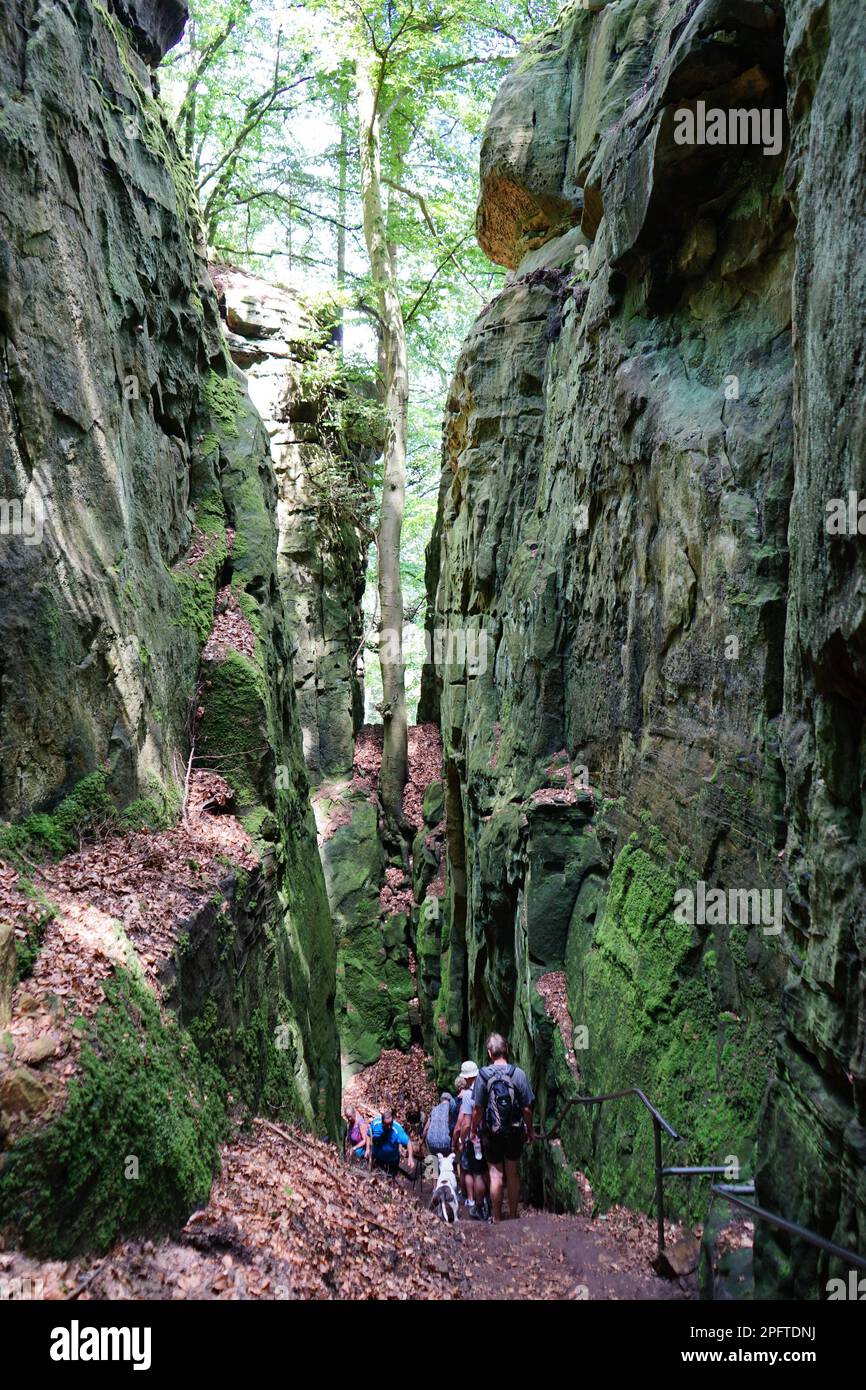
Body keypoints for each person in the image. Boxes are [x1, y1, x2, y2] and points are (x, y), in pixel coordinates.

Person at [471, 1034, 535, 1223]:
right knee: (513, 1173)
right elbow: (526, 1109)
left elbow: (478, 1109)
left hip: (492, 1132)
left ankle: (497, 1217)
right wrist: (529, 1131)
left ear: (490, 1052)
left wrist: (474, 1130)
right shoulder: (519, 1074)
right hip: (515, 1131)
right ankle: (514, 1215)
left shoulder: (483, 1075)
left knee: (495, 1174)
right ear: (506, 1049)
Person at [452, 1060, 488, 1220]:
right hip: (492, 1135)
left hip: (475, 1139)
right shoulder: (487, 1087)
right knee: (492, 1172)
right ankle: (492, 1206)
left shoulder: (468, 1095)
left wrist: (461, 1139)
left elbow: (464, 1123)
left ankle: (475, 1204)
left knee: (476, 1173)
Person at [366, 1106, 415, 1178]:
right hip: (377, 1157)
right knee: (377, 1177)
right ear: (382, 1122)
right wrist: (367, 1149)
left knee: (390, 1179)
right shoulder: (376, 1123)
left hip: (392, 1160)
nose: (389, 1127)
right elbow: (368, 1134)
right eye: (386, 1124)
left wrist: (410, 1157)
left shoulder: (397, 1130)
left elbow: (408, 1142)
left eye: (390, 1124)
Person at [423, 1091, 455, 1176]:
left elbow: (426, 1128)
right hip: (444, 1141)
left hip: (431, 1140)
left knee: (434, 1161)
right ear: (450, 1100)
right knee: (444, 1162)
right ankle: (445, 1181)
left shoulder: (434, 1109)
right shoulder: (451, 1110)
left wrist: (423, 1139)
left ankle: (434, 1187)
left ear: (441, 1100)